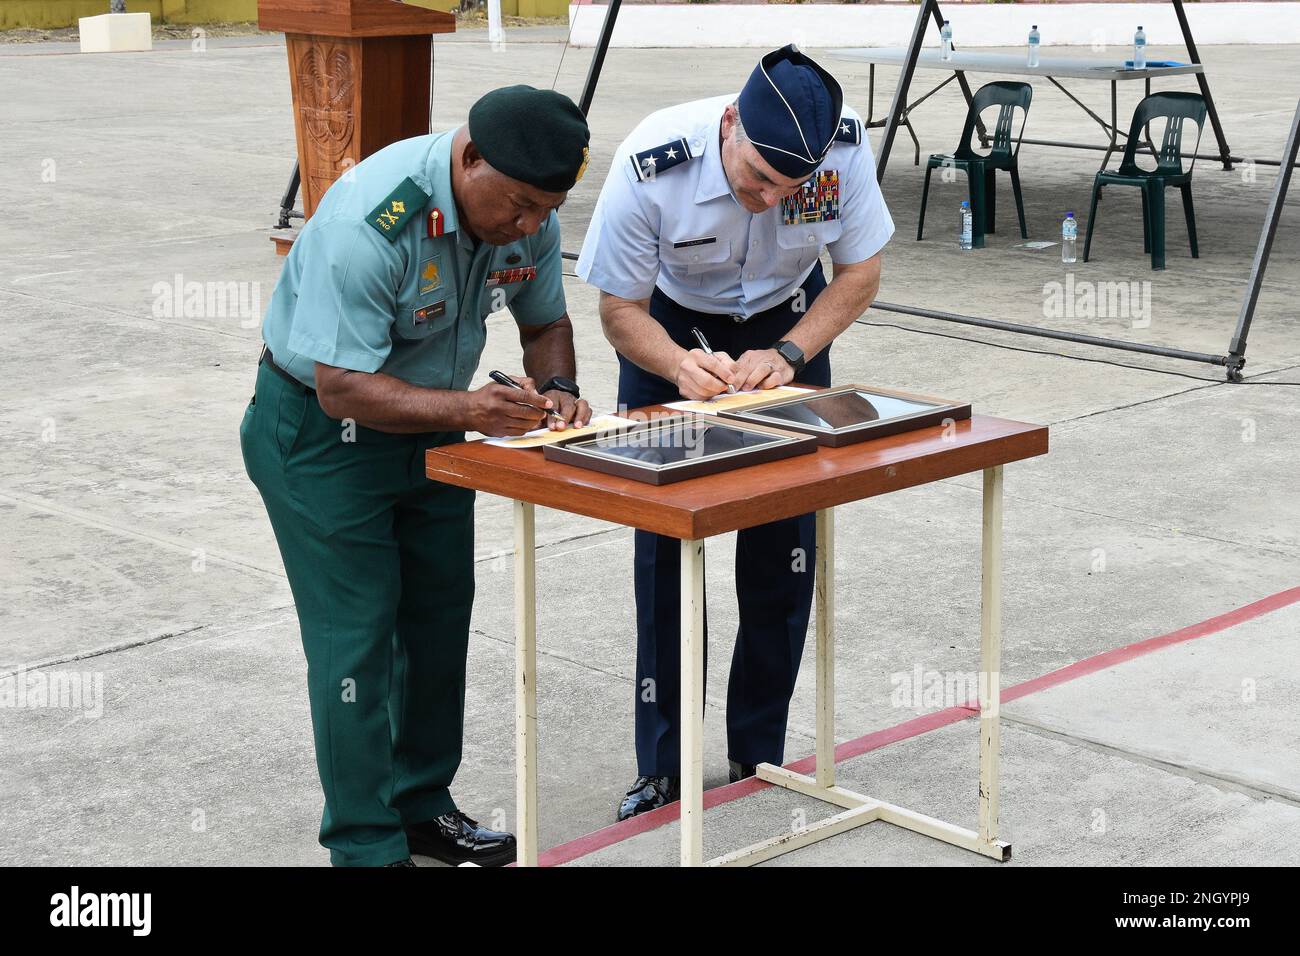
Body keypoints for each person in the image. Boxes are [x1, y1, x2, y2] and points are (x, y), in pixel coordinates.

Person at [241, 85, 592, 865]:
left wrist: (559, 387)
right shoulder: (376, 219)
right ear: (469, 158)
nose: (530, 227)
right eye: (521, 208)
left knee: (437, 622)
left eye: (545, 212)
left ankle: (421, 805)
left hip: (434, 431)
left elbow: (546, 322)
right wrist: (472, 406)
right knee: (356, 641)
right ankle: (366, 845)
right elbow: (341, 385)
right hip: (321, 437)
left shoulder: (526, 206)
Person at [576, 45, 894, 821]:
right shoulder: (654, 162)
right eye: (754, 177)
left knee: (784, 549)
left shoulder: (843, 150)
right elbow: (619, 309)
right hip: (669, 333)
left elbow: (859, 271)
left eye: (786, 189)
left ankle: (759, 755)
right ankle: (665, 766)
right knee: (665, 555)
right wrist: (680, 365)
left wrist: (792, 353)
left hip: (788, 327)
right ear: (728, 125)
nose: (765, 197)